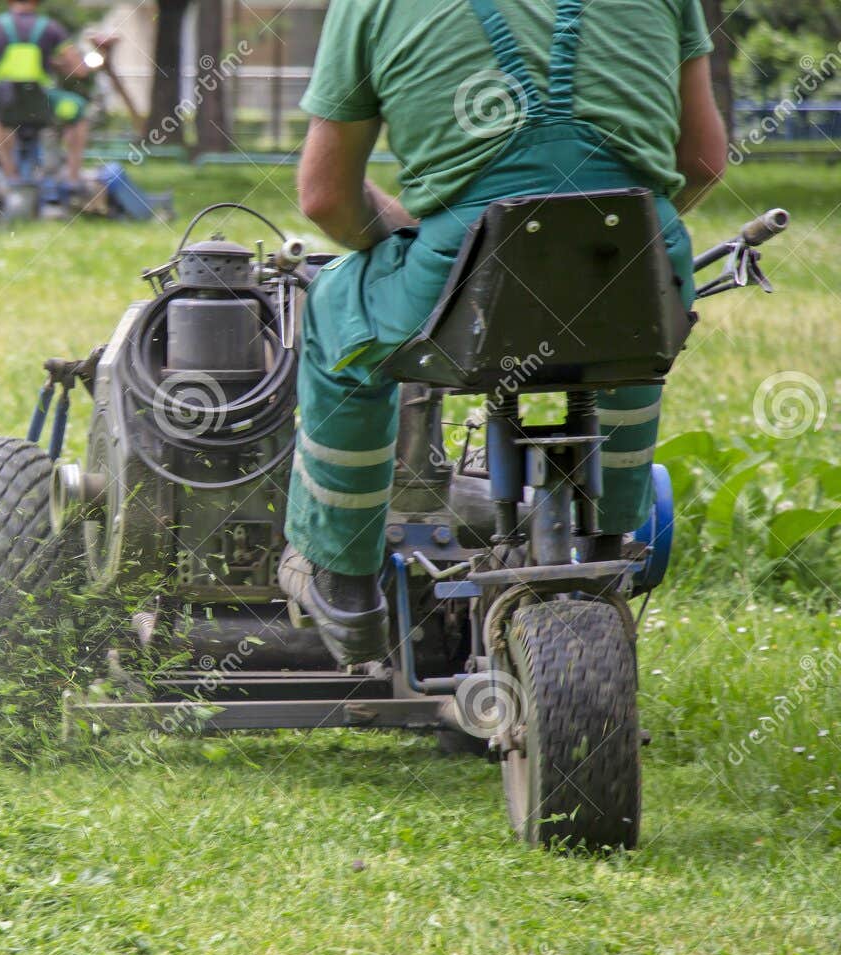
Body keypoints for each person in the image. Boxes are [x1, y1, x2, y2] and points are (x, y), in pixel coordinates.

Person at [277, 0, 727, 664]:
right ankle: (611, 547)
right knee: (629, 331)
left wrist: (397, 236)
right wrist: (621, 229)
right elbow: (706, 160)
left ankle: (344, 582)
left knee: (336, 309)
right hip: (639, 258)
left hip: (462, 278)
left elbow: (324, 198)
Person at [0, 1, 88, 197]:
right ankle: (73, 178)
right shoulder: (51, 28)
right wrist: (54, 65)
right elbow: (81, 70)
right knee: (78, 108)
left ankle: (11, 176)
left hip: (5, 106)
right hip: (43, 105)